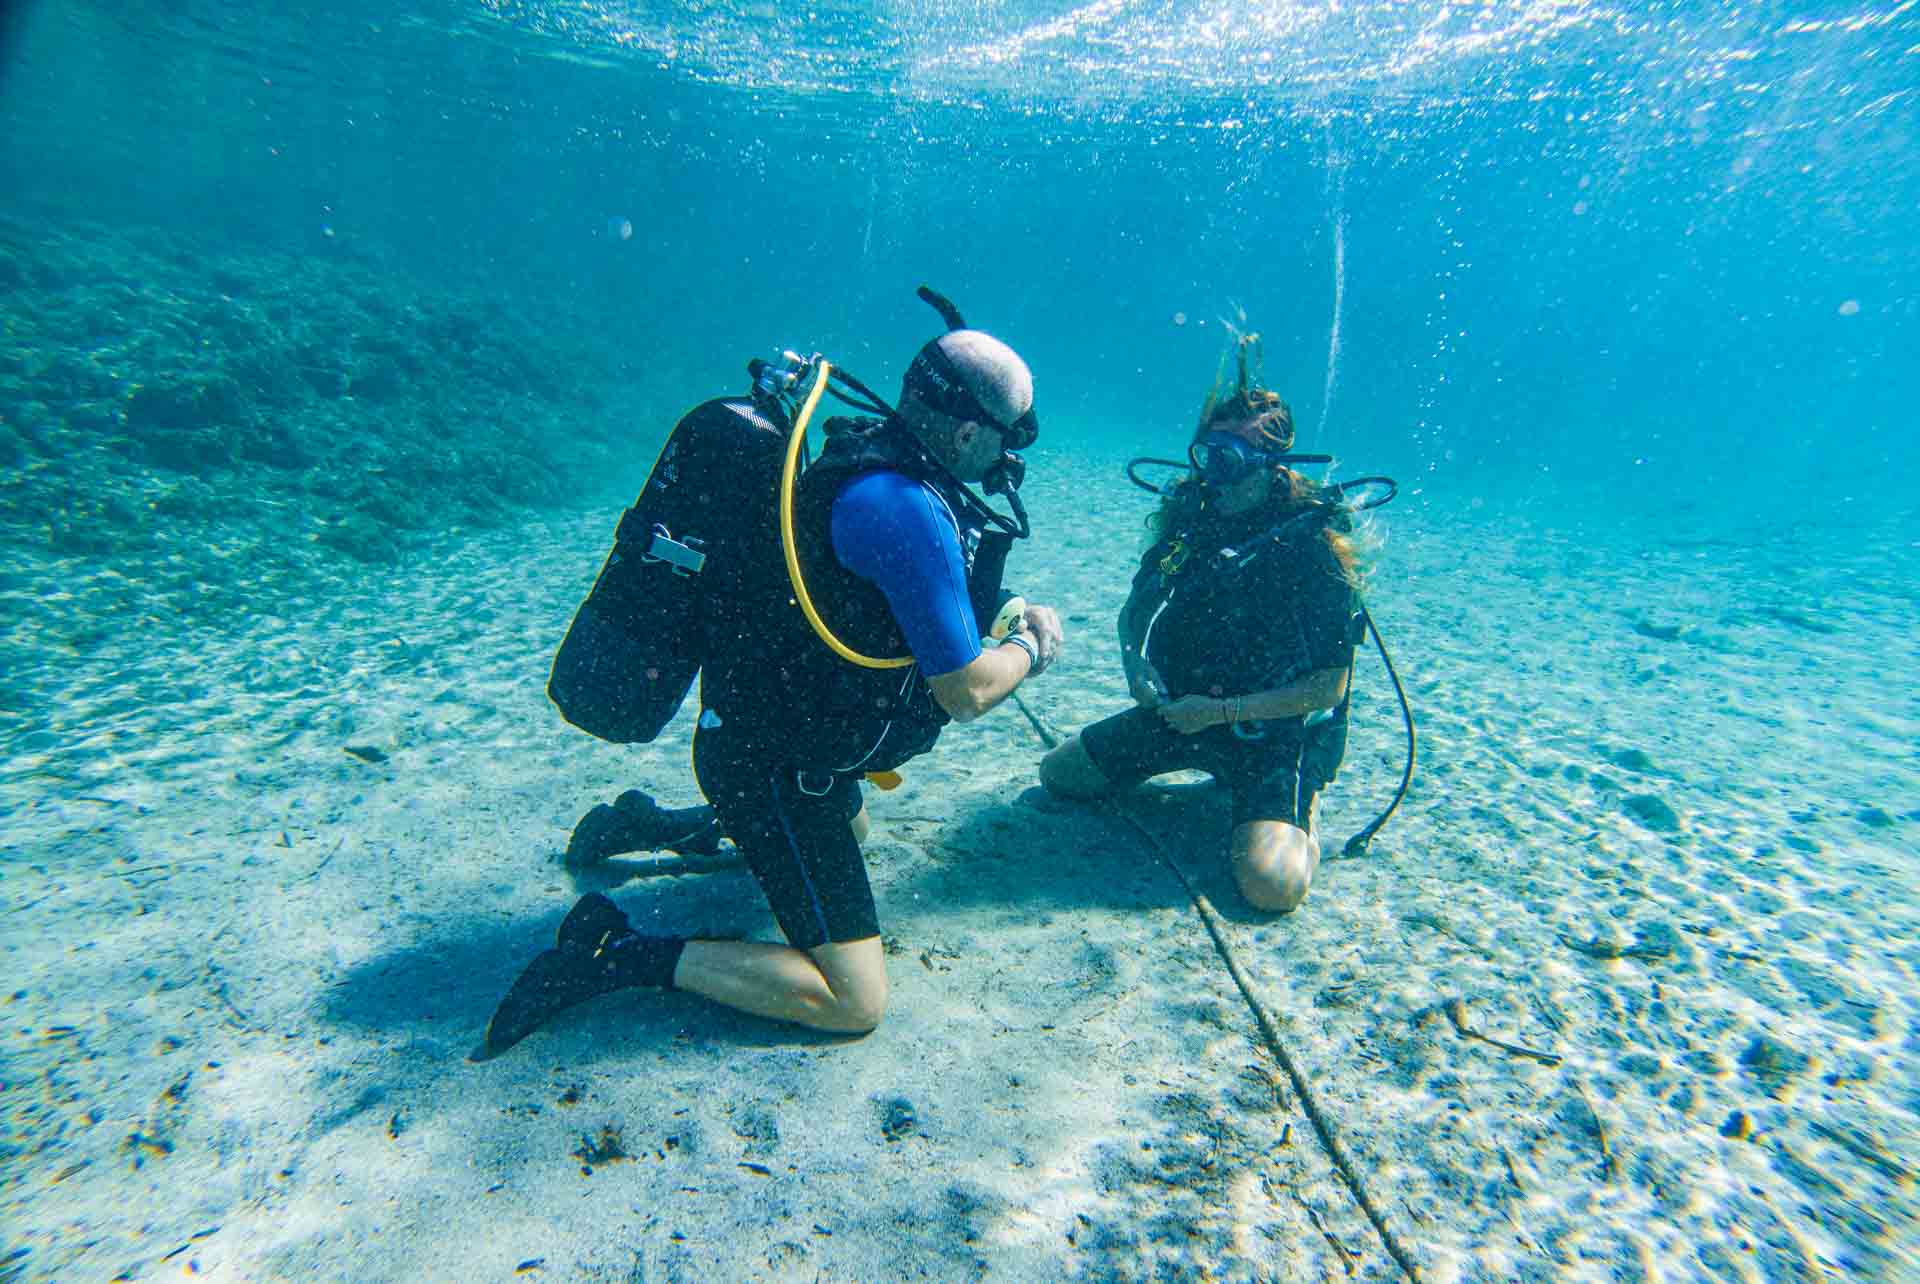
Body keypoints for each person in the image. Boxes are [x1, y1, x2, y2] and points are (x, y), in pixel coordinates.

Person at [481, 324, 1064, 1056]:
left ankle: (671, 825)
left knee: (851, 829)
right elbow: (967, 691)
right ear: (965, 428)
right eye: (1010, 437)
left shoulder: (881, 468)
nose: (1010, 458)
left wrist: (1000, 608)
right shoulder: (907, 510)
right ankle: (611, 951)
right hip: (776, 766)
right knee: (851, 999)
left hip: (771, 736)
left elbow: (909, 597)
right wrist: (1027, 645)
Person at [1039, 340, 1367, 914]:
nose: (1215, 477)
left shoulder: (1310, 545)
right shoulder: (1191, 515)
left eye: (1232, 462)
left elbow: (1330, 686)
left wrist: (1222, 714)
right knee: (1061, 776)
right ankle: (1225, 784)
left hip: (1269, 732)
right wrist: (1134, 663)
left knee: (1273, 888)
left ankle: (1301, 794)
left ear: (1272, 467)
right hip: (1181, 712)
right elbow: (1135, 613)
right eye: (1208, 455)